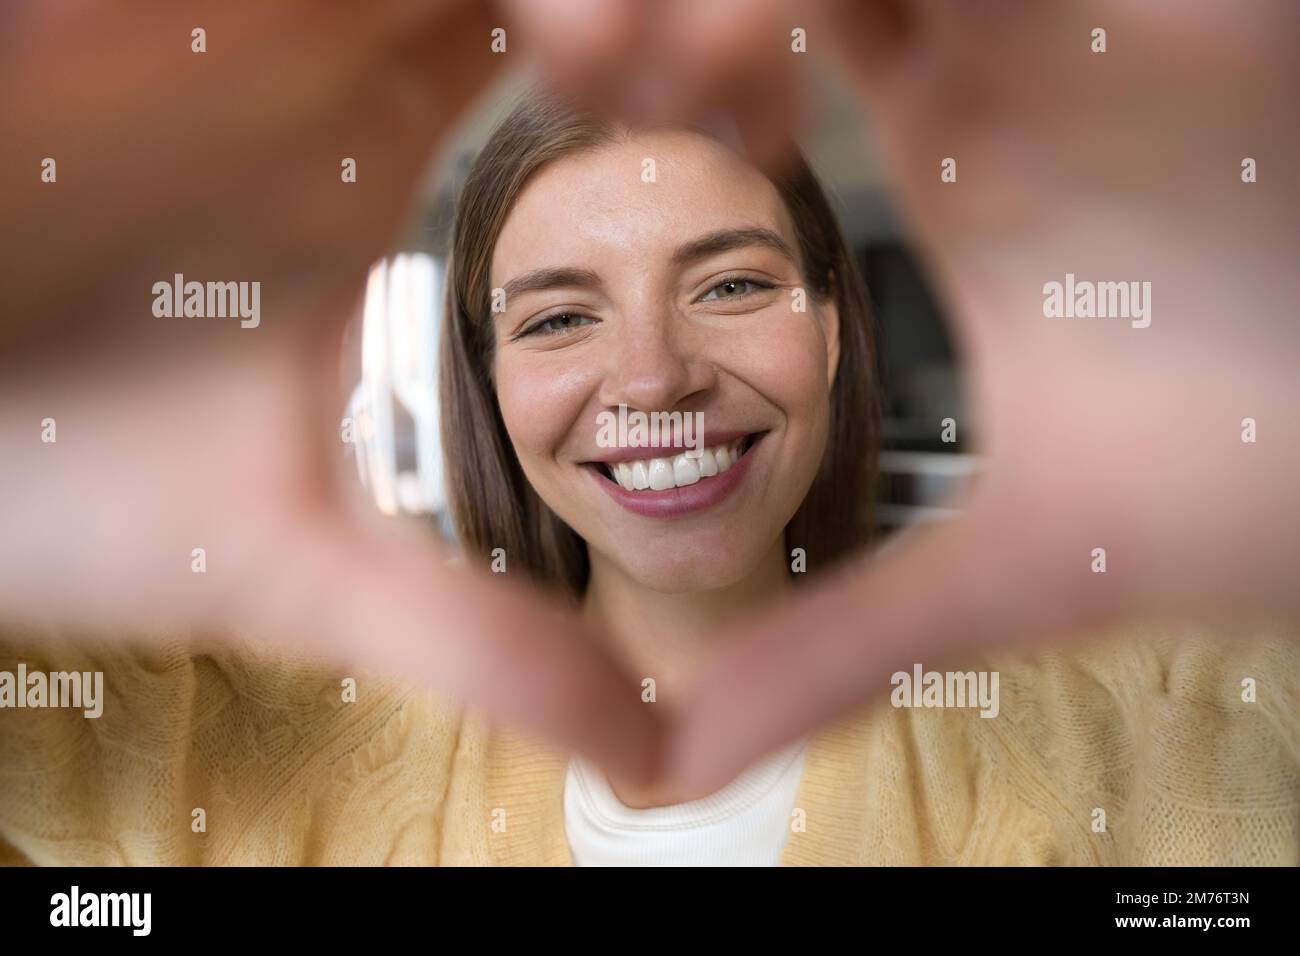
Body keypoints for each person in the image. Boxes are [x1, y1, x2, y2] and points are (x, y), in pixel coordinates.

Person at [3, 90, 1294, 866]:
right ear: (490, 379)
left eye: (730, 285)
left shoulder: (1126, 721)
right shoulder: (300, 747)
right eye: (560, 318)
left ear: (835, 327)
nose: (656, 376)